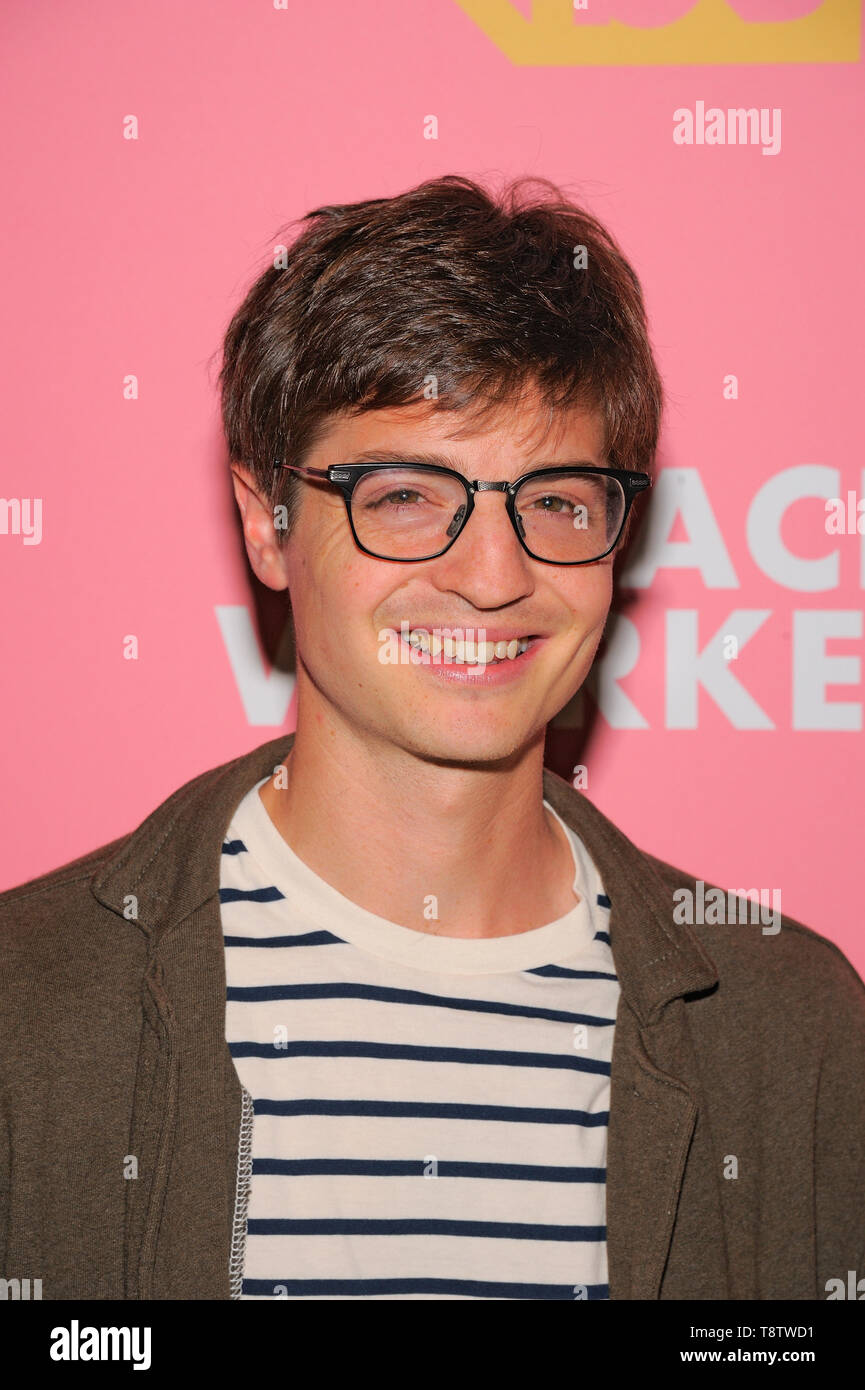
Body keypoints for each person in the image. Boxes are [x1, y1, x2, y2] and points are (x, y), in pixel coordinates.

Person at [1, 174, 863, 1302]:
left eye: (555, 499)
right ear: (267, 522)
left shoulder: (789, 1030)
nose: (494, 575)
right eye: (407, 493)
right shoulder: (32, 1003)